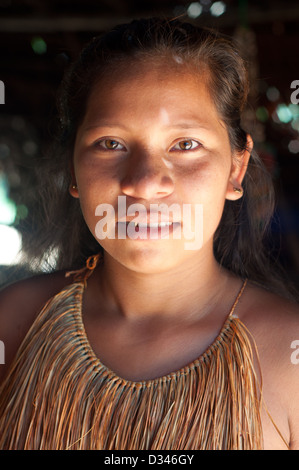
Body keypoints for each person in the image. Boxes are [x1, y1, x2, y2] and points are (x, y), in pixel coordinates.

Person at [0, 17, 298, 450]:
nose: (143, 182)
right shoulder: (12, 325)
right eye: (111, 144)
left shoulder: (289, 354)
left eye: (184, 144)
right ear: (73, 168)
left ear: (235, 168)